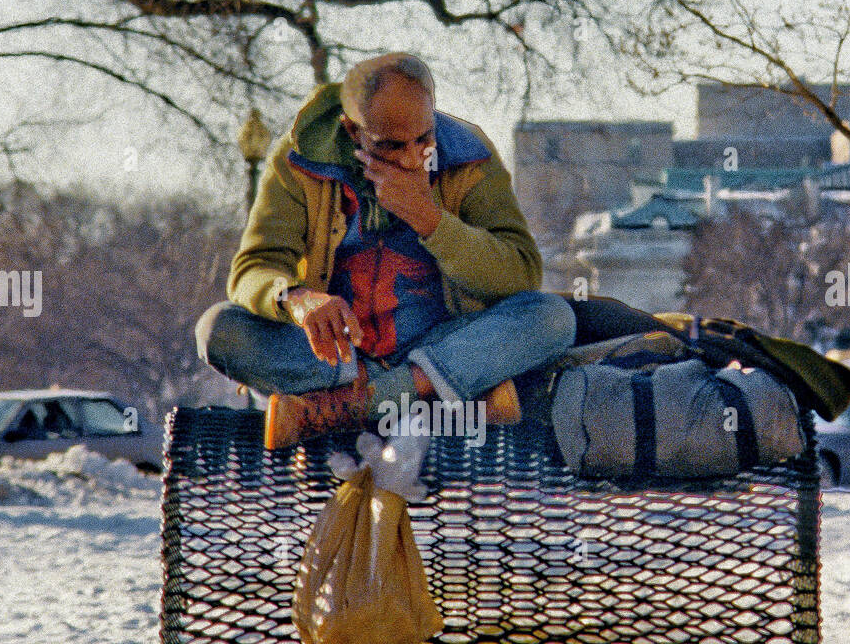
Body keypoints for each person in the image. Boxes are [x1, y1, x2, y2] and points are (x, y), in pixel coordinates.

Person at [196, 52, 578, 449]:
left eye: (424, 140)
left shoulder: (469, 156)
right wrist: (297, 299)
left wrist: (430, 220)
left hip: (438, 345)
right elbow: (253, 267)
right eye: (390, 146)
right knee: (218, 330)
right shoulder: (296, 162)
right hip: (335, 358)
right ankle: (437, 399)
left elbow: (520, 271)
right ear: (350, 130)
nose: (412, 158)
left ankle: (356, 406)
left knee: (550, 317)